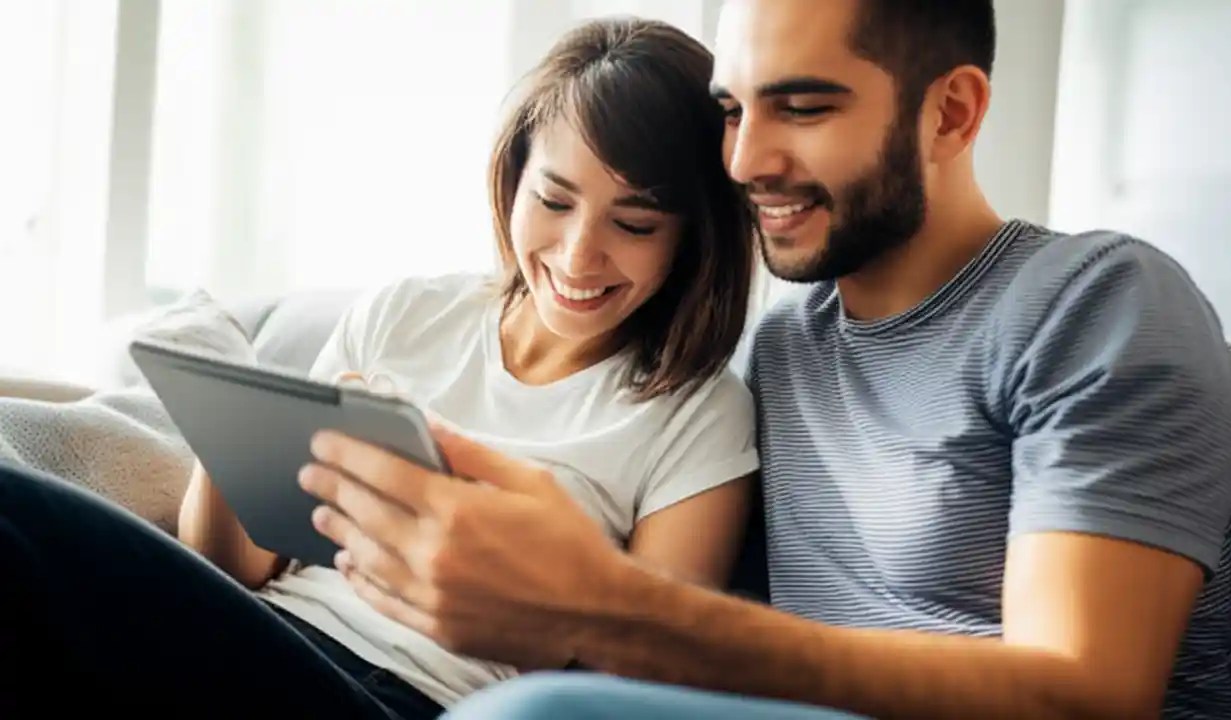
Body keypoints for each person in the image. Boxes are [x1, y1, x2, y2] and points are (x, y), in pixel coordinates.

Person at [293, 1, 1231, 719]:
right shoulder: (777, 351)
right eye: (732, 110)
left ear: (951, 113)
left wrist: (605, 607)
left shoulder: (1096, 301)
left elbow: (1085, 695)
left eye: (801, 106)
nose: (745, 158)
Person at [0, 16, 760, 719]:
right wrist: (245, 435)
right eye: (554, 201)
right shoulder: (406, 314)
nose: (578, 253)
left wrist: (526, 587)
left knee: (17, 512)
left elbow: (654, 671)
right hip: (256, 629)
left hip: (406, 697)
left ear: (692, 238)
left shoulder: (698, 414)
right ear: (514, 179)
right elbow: (232, 566)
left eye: (634, 224)